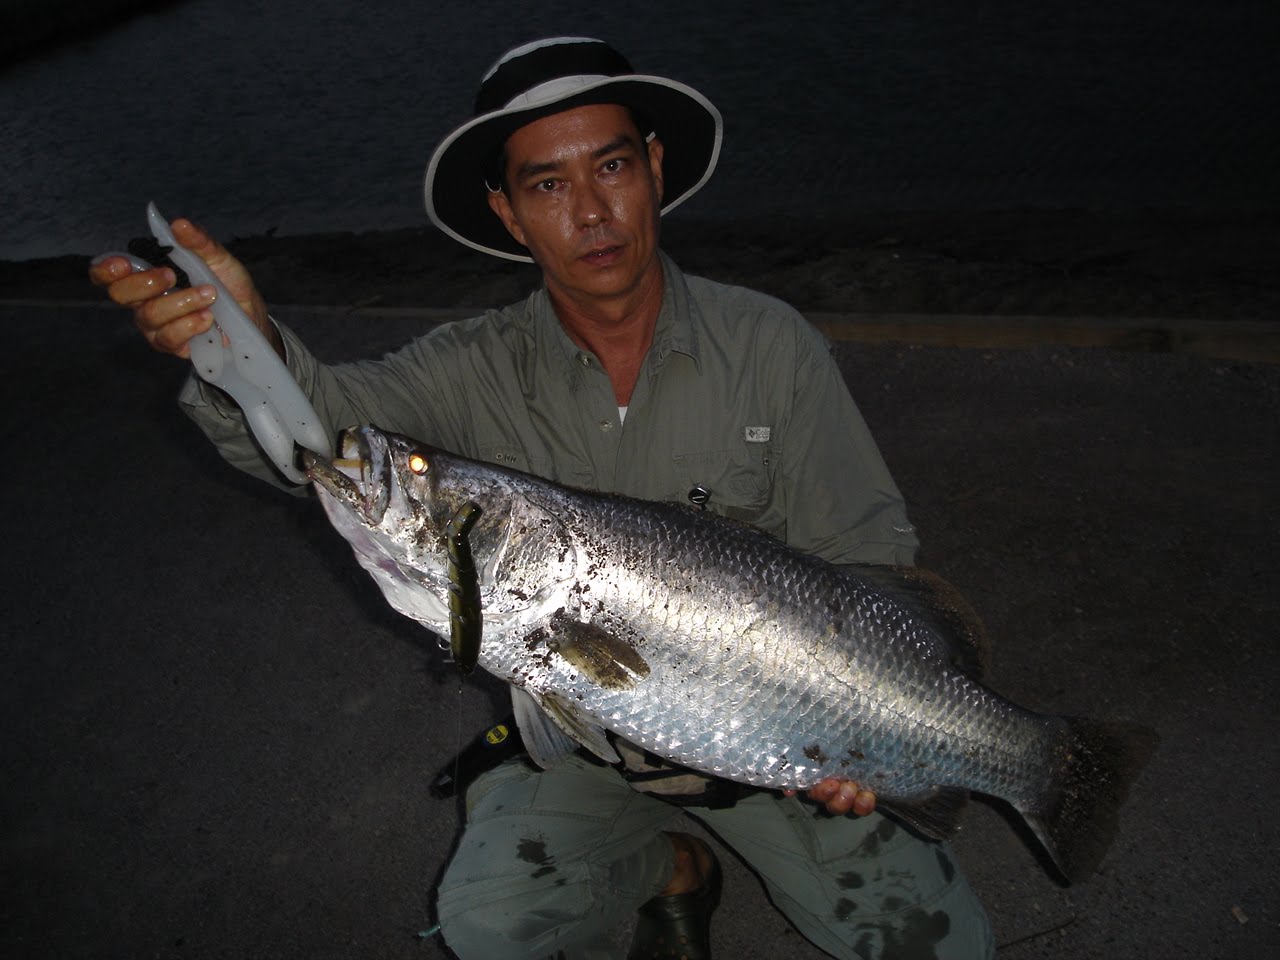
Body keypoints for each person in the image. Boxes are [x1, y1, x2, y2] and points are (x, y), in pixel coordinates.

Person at [91, 36, 994, 960]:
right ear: (510, 214)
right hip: (580, 745)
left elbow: (870, 560)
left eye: (610, 167)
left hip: (782, 734)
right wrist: (246, 354)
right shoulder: (465, 365)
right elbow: (323, 441)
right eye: (548, 186)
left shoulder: (770, 344)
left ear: (653, 169)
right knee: (497, 928)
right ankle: (674, 867)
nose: (593, 212)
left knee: (945, 948)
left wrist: (872, 737)